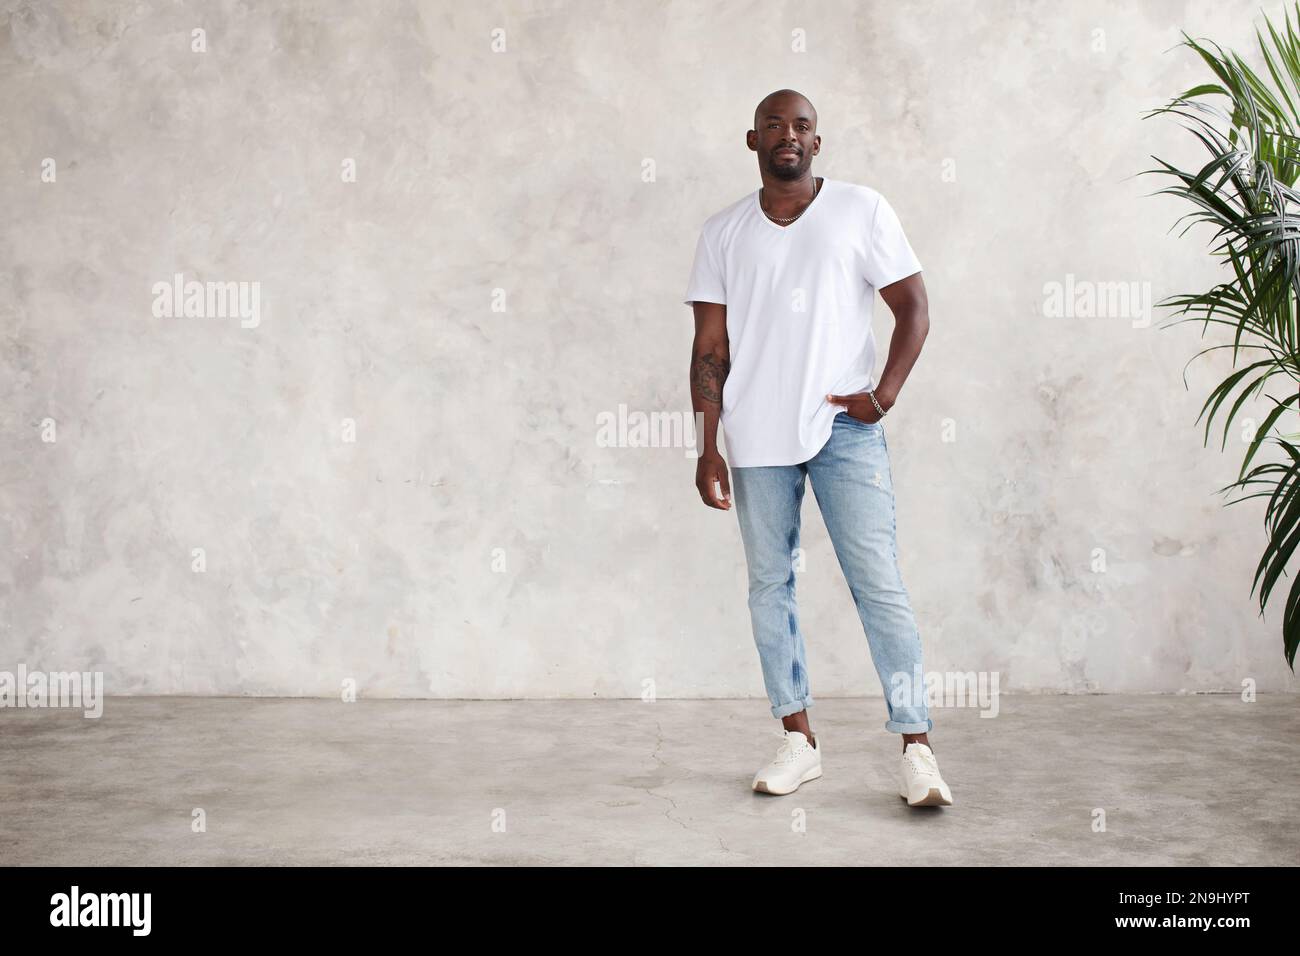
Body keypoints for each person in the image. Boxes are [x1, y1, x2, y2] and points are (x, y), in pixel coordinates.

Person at [683, 89, 953, 807]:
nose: (788, 135)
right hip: (755, 434)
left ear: (817, 141)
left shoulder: (861, 209)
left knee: (878, 582)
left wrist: (883, 395)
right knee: (770, 586)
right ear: (753, 140)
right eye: (774, 125)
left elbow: (914, 307)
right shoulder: (723, 231)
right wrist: (707, 446)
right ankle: (798, 740)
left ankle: (918, 748)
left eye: (801, 125)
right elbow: (709, 347)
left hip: (844, 429)